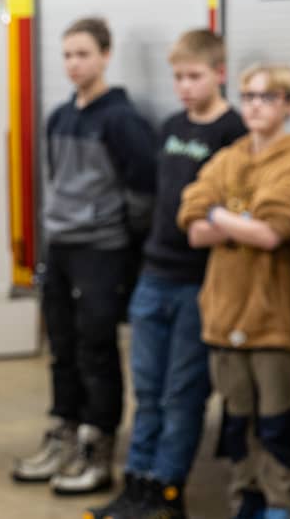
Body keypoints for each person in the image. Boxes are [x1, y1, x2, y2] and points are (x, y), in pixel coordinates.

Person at [87, 30, 247, 519]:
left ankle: (166, 489)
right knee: (149, 390)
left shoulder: (233, 131)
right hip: (153, 274)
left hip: (197, 281)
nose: (184, 87)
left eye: (195, 76)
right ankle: (136, 485)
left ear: (219, 74)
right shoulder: (173, 125)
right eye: (178, 77)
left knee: (183, 392)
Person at [13, 17, 157, 494]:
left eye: (83, 54)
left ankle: (98, 449)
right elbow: (57, 180)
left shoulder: (120, 119)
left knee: (96, 347)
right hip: (62, 246)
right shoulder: (60, 117)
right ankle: (64, 433)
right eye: (68, 54)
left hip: (103, 250)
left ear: (105, 55)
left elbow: (143, 187)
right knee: (62, 347)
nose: (74, 64)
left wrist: (114, 229)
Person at [178, 63, 290, 519]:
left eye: (268, 97)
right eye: (249, 97)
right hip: (223, 314)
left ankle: (284, 505)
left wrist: (219, 215)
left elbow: (274, 230)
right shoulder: (229, 156)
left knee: (277, 425)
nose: (255, 106)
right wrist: (234, 219)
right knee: (238, 424)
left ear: (289, 105)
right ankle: (246, 500)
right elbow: (192, 222)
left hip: (274, 318)